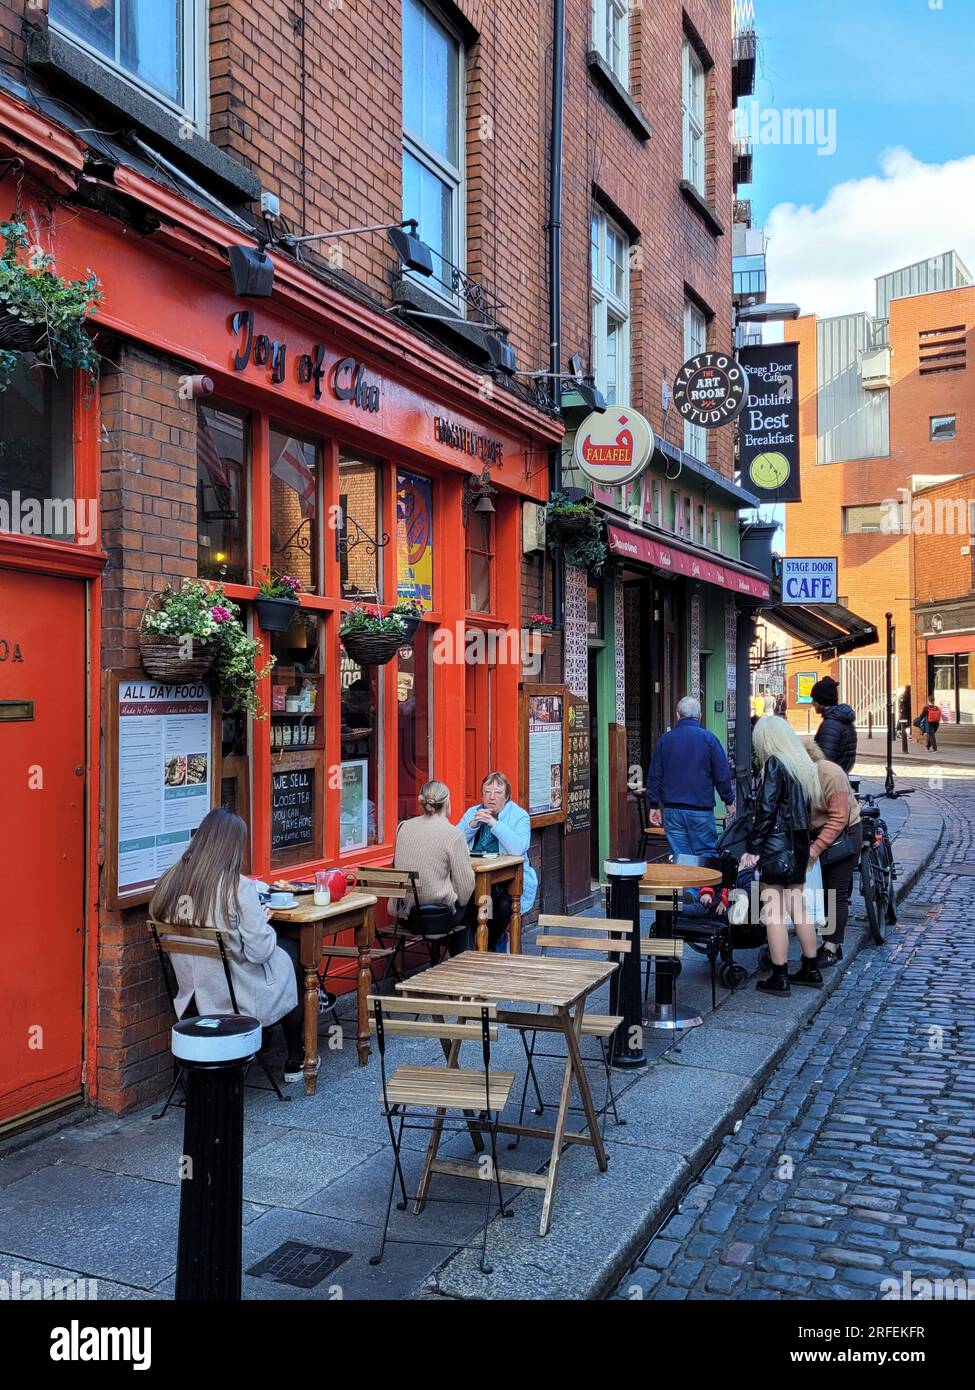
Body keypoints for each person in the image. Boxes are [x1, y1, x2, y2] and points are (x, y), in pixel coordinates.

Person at [148, 807, 305, 1081]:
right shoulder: (238, 887)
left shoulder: (170, 880)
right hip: (235, 993)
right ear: (233, 847)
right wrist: (265, 924)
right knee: (292, 957)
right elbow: (258, 953)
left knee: (286, 956)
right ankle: (295, 1057)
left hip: (191, 994)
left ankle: (266, 1043)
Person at [740, 716, 823, 995]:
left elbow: (765, 811)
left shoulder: (775, 764)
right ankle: (811, 969)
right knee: (798, 908)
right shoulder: (802, 766)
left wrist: (752, 848)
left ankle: (780, 975)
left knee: (774, 911)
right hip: (799, 845)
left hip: (777, 846)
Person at [393, 780, 476, 955]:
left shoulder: (402, 827)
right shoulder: (453, 834)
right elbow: (466, 889)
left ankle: (445, 959)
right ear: (447, 802)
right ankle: (460, 963)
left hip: (405, 916)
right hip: (437, 918)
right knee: (475, 903)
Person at [645, 695, 735, 856]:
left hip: (672, 809)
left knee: (681, 859)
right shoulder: (709, 739)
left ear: (677, 715)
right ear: (699, 716)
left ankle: (687, 882)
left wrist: (653, 805)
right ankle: (703, 882)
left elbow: (655, 775)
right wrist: (728, 800)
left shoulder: (665, 740)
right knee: (706, 857)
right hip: (700, 809)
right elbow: (721, 773)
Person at [458, 771, 537, 951]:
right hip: (474, 878)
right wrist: (472, 826)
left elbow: (519, 848)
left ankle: (487, 946)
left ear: (507, 796)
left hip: (506, 883)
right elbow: (454, 842)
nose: (491, 797)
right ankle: (476, 946)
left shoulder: (519, 816)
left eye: (498, 793)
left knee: (498, 906)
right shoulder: (473, 812)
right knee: (467, 902)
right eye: (487, 792)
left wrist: (494, 824)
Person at [802, 738, 862, 968]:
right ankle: (827, 939)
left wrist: (814, 850)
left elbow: (838, 819)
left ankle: (831, 946)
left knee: (834, 892)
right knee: (822, 890)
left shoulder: (830, 773)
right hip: (818, 834)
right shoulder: (800, 776)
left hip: (844, 835)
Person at [810, 676, 857, 773]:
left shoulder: (830, 724)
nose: (812, 704)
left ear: (821, 702)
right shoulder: (843, 719)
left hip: (831, 779)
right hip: (840, 774)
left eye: (814, 700)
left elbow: (825, 762)